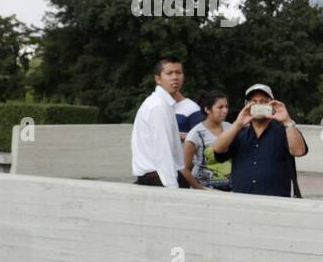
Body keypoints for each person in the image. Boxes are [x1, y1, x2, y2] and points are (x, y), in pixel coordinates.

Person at [211, 83, 309, 196]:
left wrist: (287, 120)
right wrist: (238, 123)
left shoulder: (285, 130)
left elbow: (299, 151)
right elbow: (218, 149)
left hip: (276, 203)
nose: (258, 105)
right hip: (242, 200)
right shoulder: (239, 133)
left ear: (272, 104)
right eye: (254, 102)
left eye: (263, 101)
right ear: (246, 105)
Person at [131, 56, 197, 189]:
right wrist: (172, 188)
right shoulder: (158, 106)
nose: (175, 77)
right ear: (158, 79)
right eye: (169, 73)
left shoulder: (164, 104)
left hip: (162, 176)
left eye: (178, 72)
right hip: (159, 179)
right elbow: (163, 151)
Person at [183, 90, 232, 191]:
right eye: (220, 107)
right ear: (207, 109)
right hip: (205, 190)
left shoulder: (230, 128)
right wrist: (200, 190)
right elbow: (184, 169)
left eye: (226, 106)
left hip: (230, 190)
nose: (225, 110)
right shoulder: (195, 134)